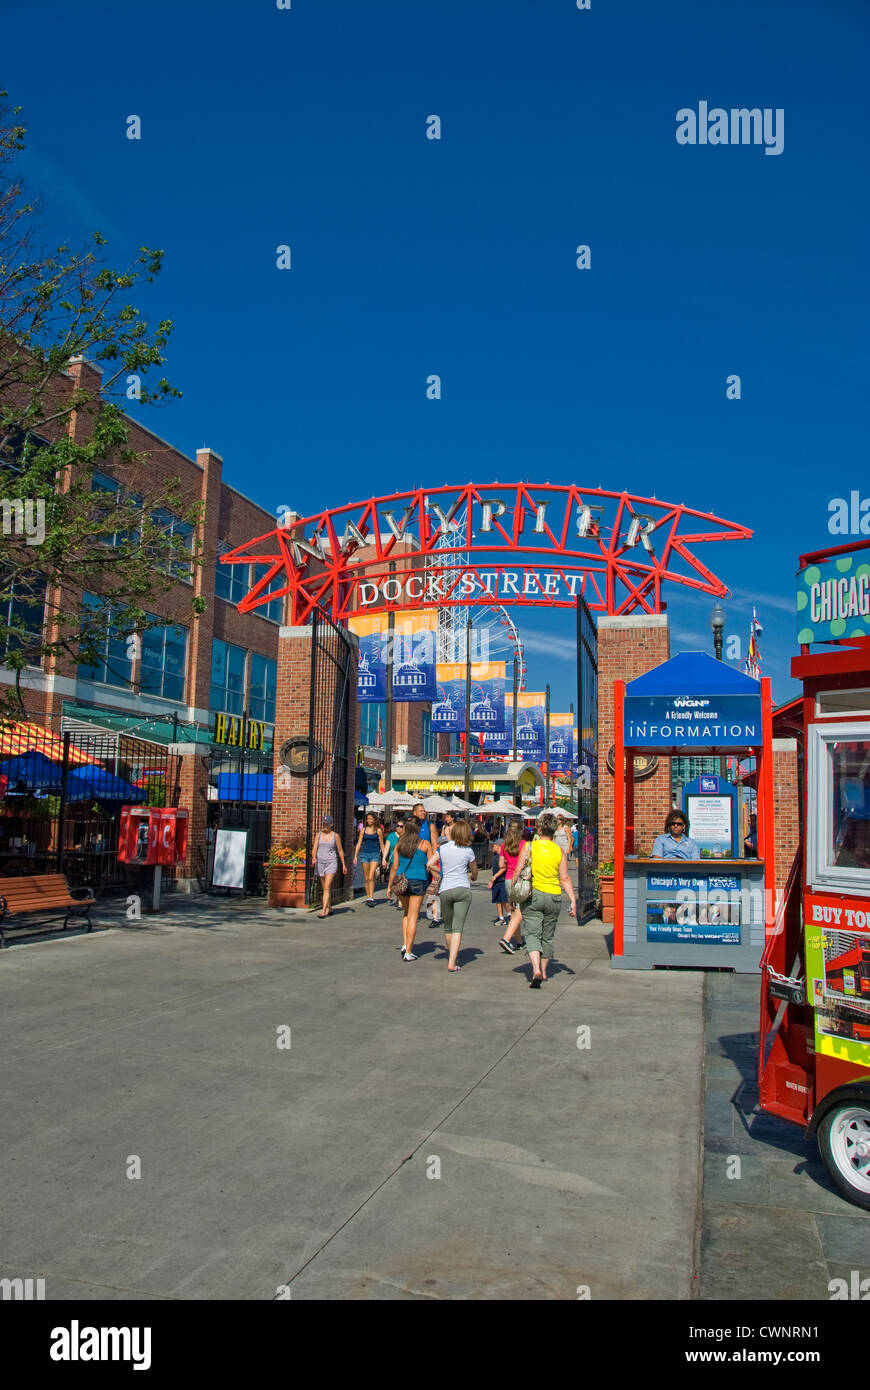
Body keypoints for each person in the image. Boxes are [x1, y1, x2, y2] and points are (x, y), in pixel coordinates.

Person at [519, 811, 576, 986]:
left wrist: (514, 892)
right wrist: (573, 900)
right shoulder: (559, 851)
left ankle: (535, 968)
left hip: (534, 895)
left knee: (532, 933)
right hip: (554, 896)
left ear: (539, 828)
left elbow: (517, 871)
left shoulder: (529, 847)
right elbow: (564, 878)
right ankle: (543, 972)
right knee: (547, 936)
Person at [429, 818, 477, 971]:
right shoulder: (468, 850)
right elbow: (474, 871)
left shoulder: (442, 848)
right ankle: (452, 961)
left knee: (448, 926)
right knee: (458, 927)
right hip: (462, 888)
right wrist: (473, 876)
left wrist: (442, 872)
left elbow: (429, 864)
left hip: (445, 889)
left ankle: (451, 955)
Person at [387, 815, 433, 961]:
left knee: (406, 914)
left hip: (402, 880)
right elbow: (431, 864)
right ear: (418, 829)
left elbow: (394, 867)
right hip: (419, 880)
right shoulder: (425, 844)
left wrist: (389, 886)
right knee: (414, 916)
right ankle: (409, 952)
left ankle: (405, 944)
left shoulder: (400, 843)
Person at [496, 818, 525, 949]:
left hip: (508, 879)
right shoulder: (524, 844)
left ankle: (519, 941)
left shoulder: (504, 845)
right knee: (520, 912)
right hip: (520, 879)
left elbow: (501, 864)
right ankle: (507, 939)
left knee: (515, 911)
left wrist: (509, 863)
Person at [313, 814, 347, 919]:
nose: (324, 826)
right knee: (324, 887)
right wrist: (314, 857)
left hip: (331, 862)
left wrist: (344, 864)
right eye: (323, 823)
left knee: (327, 887)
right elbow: (314, 847)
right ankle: (330, 907)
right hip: (320, 862)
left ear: (331, 824)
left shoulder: (335, 836)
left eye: (326, 824)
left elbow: (340, 851)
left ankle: (324, 910)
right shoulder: (318, 835)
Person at [353, 811, 385, 906]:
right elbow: (359, 843)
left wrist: (384, 858)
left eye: (371, 819)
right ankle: (368, 897)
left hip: (375, 854)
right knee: (366, 878)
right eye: (368, 819)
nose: (369, 820)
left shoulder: (378, 831)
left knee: (371, 876)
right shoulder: (363, 830)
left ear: (374, 820)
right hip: (365, 854)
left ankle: (371, 897)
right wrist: (355, 855)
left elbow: (382, 844)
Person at [383, 817, 404, 909]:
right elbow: (387, 848)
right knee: (395, 881)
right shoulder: (391, 836)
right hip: (393, 862)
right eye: (397, 826)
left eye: (401, 826)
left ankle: (400, 901)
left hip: (403, 862)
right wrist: (384, 858)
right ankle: (398, 897)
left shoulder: (406, 837)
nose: (398, 828)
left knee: (401, 881)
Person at [490, 834, 509, 927]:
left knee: (504, 899)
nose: (492, 847)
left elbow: (503, 868)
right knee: (497, 899)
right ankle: (501, 917)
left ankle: (509, 915)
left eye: (493, 846)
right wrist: (492, 880)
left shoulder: (503, 856)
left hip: (502, 880)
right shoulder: (495, 856)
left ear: (498, 846)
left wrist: (495, 876)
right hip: (496, 881)